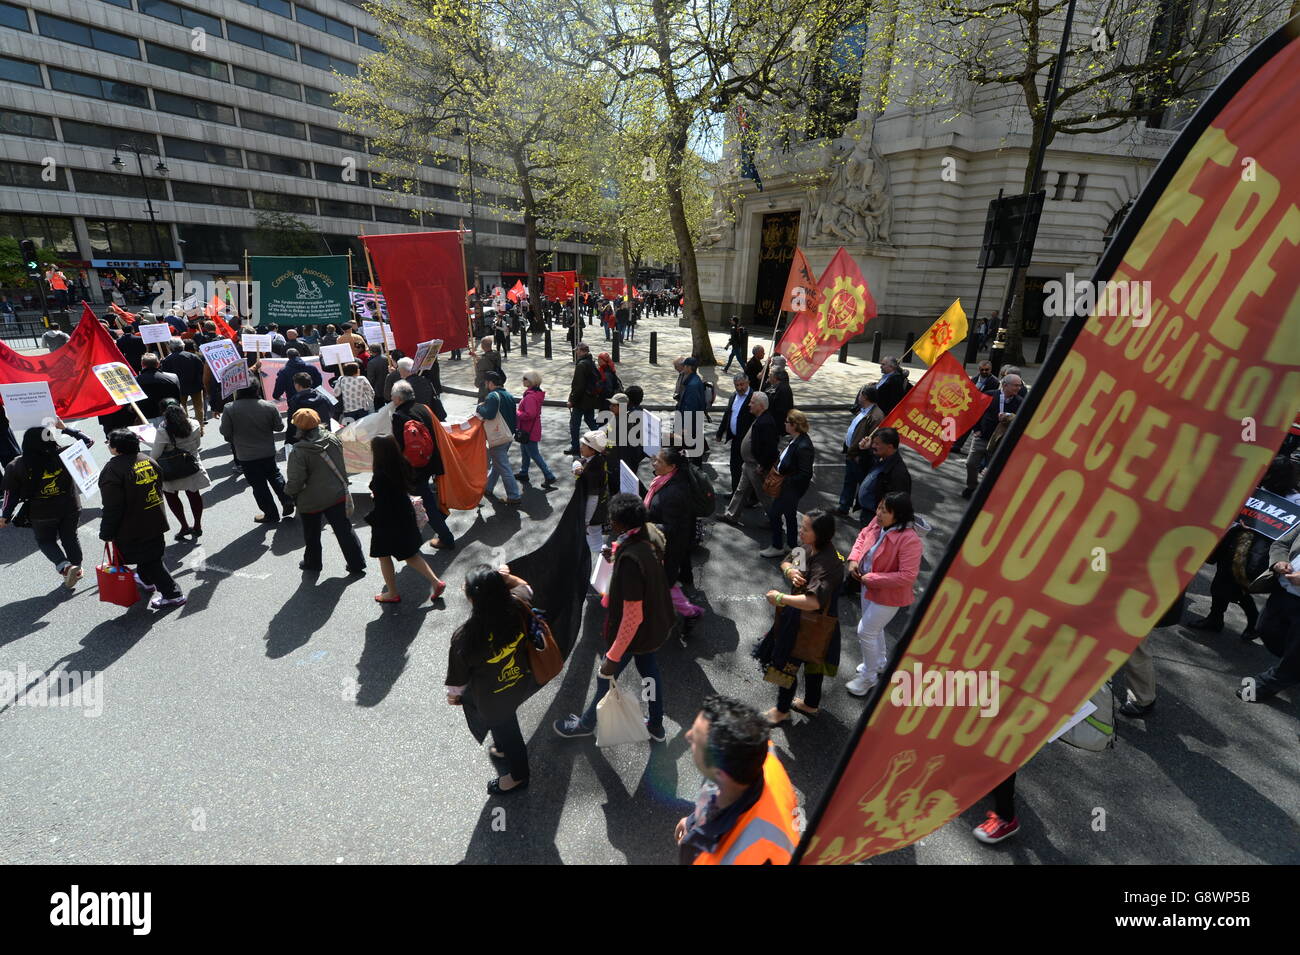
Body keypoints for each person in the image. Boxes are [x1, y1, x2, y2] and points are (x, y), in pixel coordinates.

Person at [554, 493, 674, 741]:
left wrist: (613, 656)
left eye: (612, 518)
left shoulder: (631, 563)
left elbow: (632, 616)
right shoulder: (649, 533)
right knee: (650, 675)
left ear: (619, 524)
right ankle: (655, 723)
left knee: (605, 678)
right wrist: (618, 552)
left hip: (638, 632)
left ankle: (586, 724)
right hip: (655, 624)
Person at [446, 564, 540, 794]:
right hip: (519, 680)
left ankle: (519, 776)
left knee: (508, 729)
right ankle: (502, 747)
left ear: (473, 599)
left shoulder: (466, 637)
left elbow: (458, 680)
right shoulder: (517, 606)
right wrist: (502, 577)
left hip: (491, 696)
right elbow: (525, 588)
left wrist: (454, 697)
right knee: (506, 721)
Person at [676, 694, 799, 865]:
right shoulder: (759, 755)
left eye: (696, 737)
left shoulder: (743, 856)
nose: (688, 736)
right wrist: (692, 823)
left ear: (720, 773)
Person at [1190, 455, 1300, 640]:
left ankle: (1253, 622)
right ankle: (1214, 618)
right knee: (1220, 583)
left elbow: (1292, 531)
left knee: (1240, 587)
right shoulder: (1255, 488)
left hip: (1261, 551)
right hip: (1235, 542)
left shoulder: (1295, 500)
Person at [758, 510, 844, 723]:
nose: (800, 531)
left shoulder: (827, 564)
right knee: (814, 665)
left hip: (808, 625)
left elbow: (813, 602)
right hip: (818, 626)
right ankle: (810, 705)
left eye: (806, 529)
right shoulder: (809, 548)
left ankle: (782, 710)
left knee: (784, 666)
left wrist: (780, 598)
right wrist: (790, 572)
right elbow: (787, 562)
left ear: (820, 534)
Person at [844, 491, 923, 697]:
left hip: (889, 596)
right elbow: (863, 536)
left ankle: (868, 678)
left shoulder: (910, 539)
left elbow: (907, 576)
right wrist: (853, 560)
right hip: (867, 586)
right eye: (879, 507)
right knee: (874, 629)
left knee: (865, 631)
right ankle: (879, 663)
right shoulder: (878, 522)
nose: (878, 513)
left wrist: (871, 578)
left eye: (885, 511)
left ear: (898, 515)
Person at [98, 428, 185, 608]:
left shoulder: (113, 469)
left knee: (152, 561)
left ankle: (173, 594)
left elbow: (113, 506)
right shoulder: (148, 460)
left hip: (132, 526)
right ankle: (146, 580)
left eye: (109, 443)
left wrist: (107, 531)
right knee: (150, 554)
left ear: (116, 448)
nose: (108, 446)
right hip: (154, 517)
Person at [0, 423, 94, 589]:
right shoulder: (65, 453)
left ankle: (64, 566)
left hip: (41, 513)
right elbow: (88, 441)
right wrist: (65, 428)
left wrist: (5, 515)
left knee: (45, 541)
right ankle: (76, 566)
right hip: (70, 506)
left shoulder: (16, 465)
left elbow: (10, 494)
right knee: (70, 536)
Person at [284, 408, 366, 574]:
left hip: (311, 501)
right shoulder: (333, 438)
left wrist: (288, 492)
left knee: (312, 535)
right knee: (344, 530)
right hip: (336, 493)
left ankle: (313, 563)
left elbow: (296, 481)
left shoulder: (299, 451)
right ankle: (357, 563)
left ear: (298, 429)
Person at [367, 435, 447, 603]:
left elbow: (381, 501)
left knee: (383, 555)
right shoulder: (403, 463)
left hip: (387, 521)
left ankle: (392, 592)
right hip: (405, 515)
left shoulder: (380, 474)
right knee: (410, 554)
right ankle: (435, 581)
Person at [390, 379, 455, 551]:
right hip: (430, 460)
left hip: (414, 467)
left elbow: (400, 446)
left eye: (392, 396)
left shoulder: (399, 416)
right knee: (421, 499)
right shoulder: (423, 408)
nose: (391, 399)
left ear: (398, 398)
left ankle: (447, 538)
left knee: (425, 503)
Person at [220, 381, 295, 524]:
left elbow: (225, 431)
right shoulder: (268, 406)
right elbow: (279, 427)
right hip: (267, 451)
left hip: (246, 455)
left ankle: (271, 514)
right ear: (256, 390)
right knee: (275, 475)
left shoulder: (230, 408)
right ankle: (287, 499)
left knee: (259, 485)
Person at [645, 447, 703, 620]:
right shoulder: (665, 480)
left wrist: (646, 527)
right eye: (655, 459)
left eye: (659, 461)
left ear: (672, 467)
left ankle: (688, 615)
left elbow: (672, 528)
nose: (654, 463)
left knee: (667, 582)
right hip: (677, 541)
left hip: (672, 544)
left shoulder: (673, 493)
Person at [149, 398, 210, 541]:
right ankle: (197, 525)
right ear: (181, 408)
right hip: (190, 465)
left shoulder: (163, 430)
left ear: (164, 413)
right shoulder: (194, 423)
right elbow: (197, 444)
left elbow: (155, 455)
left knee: (171, 495)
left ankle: (184, 526)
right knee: (194, 495)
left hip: (171, 469)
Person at [719, 390, 779, 526]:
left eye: (752, 402)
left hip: (756, 466)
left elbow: (770, 448)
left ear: (761, 406)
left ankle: (775, 521)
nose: (749, 405)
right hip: (749, 465)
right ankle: (731, 515)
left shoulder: (766, 423)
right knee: (741, 491)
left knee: (764, 496)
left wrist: (762, 465)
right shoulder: (760, 418)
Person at [761, 409, 815, 558]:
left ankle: (777, 545)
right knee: (790, 516)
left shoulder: (803, 446)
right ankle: (791, 545)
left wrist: (786, 481)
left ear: (794, 425)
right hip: (788, 487)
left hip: (791, 489)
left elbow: (805, 474)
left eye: (786, 422)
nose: (784, 424)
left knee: (774, 514)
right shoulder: (796, 439)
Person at [961, 373, 1023, 499]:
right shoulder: (989, 395)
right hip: (982, 437)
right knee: (971, 463)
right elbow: (974, 412)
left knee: (992, 470)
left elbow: (1022, 421)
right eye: (1015, 386)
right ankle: (972, 486)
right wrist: (976, 429)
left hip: (1000, 442)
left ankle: (985, 493)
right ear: (1005, 385)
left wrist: (1010, 417)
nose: (1019, 388)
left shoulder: (1020, 402)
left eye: (1019, 386)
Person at [477, 369, 522, 505]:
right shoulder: (508, 395)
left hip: (497, 436)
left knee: (503, 466)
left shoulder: (492, 396)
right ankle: (488, 488)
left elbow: (489, 414)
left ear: (490, 383)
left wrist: (479, 408)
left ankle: (514, 496)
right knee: (497, 464)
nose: (485, 384)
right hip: (507, 435)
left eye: (486, 382)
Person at [837, 385, 883, 515]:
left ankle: (866, 513)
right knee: (849, 482)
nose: (858, 396)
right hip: (852, 454)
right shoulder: (863, 410)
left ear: (866, 397)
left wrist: (860, 455)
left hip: (860, 458)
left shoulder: (876, 416)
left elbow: (873, 441)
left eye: (860, 394)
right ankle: (843, 507)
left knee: (863, 486)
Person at [514, 370, 557, 488]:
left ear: (531, 381)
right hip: (530, 429)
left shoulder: (530, 397)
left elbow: (529, 414)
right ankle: (524, 472)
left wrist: (517, 413)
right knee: (525, 452)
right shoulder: (533, 394)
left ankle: (549, 476)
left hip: (529, 430)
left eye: (525, 378)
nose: (522, 380)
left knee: (534, 454)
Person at [573, 428, 612, 556]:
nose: (581, 447)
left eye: (584, 445)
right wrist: (576, 466)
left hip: (594, 514)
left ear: (592, 450)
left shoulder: (594, 472)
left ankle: (602, 562)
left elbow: (593, 499)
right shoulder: (595, 459)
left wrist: (586, 521)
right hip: (596, 511)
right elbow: (579, 460)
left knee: (595, 541)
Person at [856, 427, 911, 515]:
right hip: (868, 513)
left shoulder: (898, 473)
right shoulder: (879, 457)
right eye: (873, 442)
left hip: (878, 519)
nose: (873, 446)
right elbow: (862, 469)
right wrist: (864, 451)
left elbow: (898, 505)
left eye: (877, 444)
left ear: (890, 447)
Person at [715, 373, 753, 495]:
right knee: (734, 467)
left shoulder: (754, 398)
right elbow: (727, 415)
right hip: (736, 440)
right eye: (737, 385)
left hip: (748, 441)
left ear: (748, 383)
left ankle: (750, 496)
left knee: (748, 470)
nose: (739, 387)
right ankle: (735, 492)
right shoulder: (733, 396)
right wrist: (720, 432)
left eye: (742, 384)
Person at [160, 339, 206, 434]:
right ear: (183, 346)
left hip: (178, 388)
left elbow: (166, 376)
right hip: (195, 386)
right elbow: (201, 372)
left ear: (171, 347)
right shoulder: (193, 356)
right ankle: (200, 429)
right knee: (198, 408)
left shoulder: (167, 360)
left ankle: (187, 428)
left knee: (182, 409)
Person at [566, 344, 601, 454]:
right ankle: (601, 441)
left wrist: (572, 400)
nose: (576, 352)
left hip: (581, 400)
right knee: (590, 420)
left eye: (577, 350)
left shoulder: (581, 365)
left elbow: (578, 386)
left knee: (574, 424)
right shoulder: (591, 362)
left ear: (581, 351)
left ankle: (575, 447)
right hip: (590, 398)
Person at [285, 372, 334, 444]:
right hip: (323, 435)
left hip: (304, 439)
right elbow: (331, 412)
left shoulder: (294, 401)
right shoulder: (323, 397)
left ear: (297, 385)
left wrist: (289, 440)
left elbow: (292, 422)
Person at [135, 352, 182, 420]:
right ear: (158, 364)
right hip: (169, 416)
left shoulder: (135, 381)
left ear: (142, 364)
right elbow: (177, 399)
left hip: (146, 417)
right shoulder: (173, 378)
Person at [473, 336, 502, 401]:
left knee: (484, 406)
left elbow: (480, 374)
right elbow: (488, 361)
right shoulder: (497, 354)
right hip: (496, 383)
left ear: (482, 346)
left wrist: (476, 383)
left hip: (485, 388)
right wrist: (479, 358)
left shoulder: (483, 359)